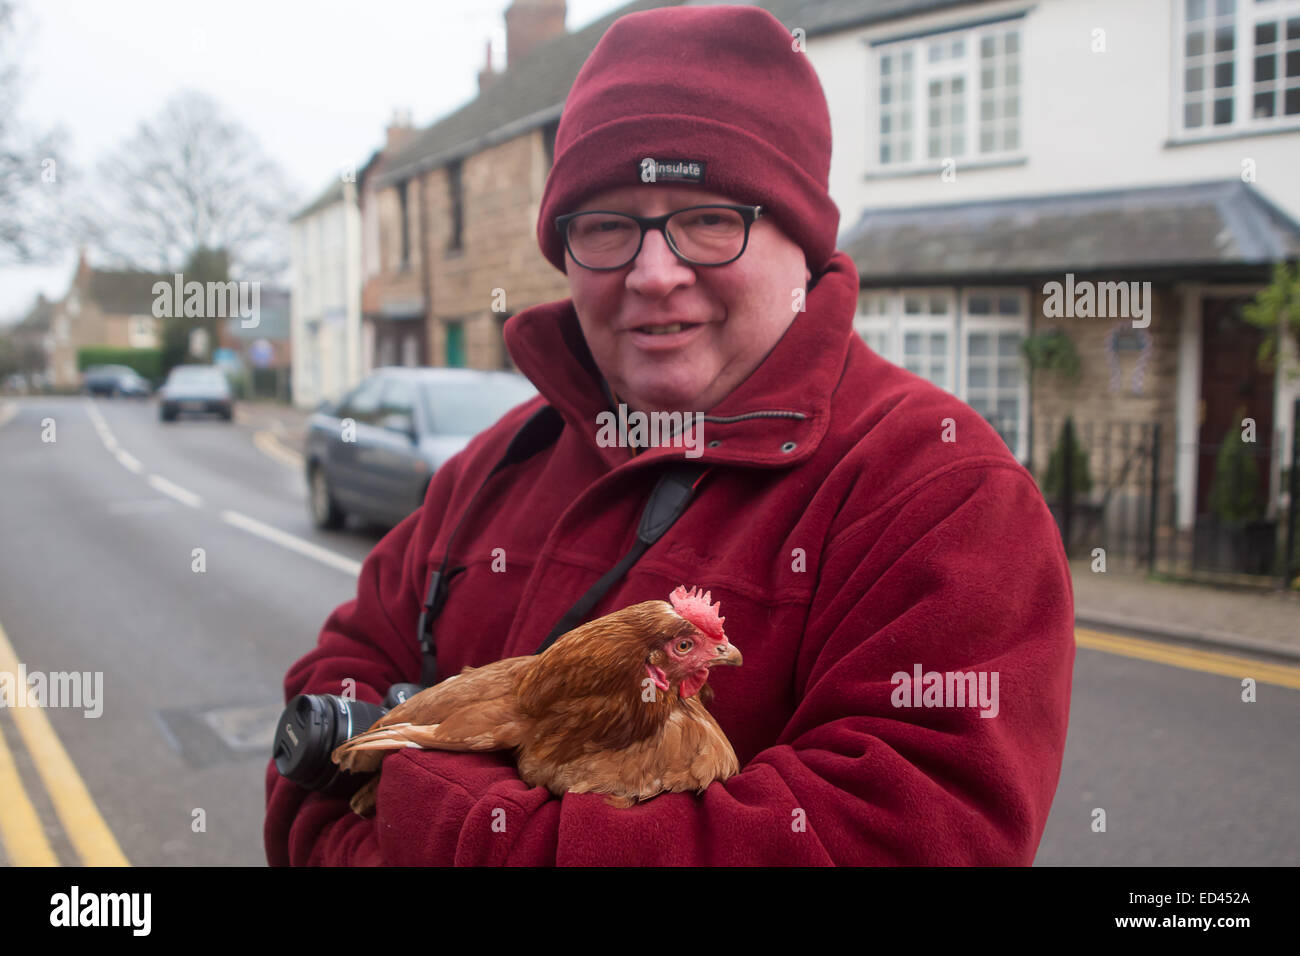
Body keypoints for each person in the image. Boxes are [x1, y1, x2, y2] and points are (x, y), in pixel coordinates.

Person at [264, 4, 1074, 866]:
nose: (655, 273)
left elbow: (900, 837)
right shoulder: (492, 466)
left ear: (801, 239)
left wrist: (440, 816)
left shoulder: (941, 492)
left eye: (710, 217)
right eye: (607, 225)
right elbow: (313, 735)